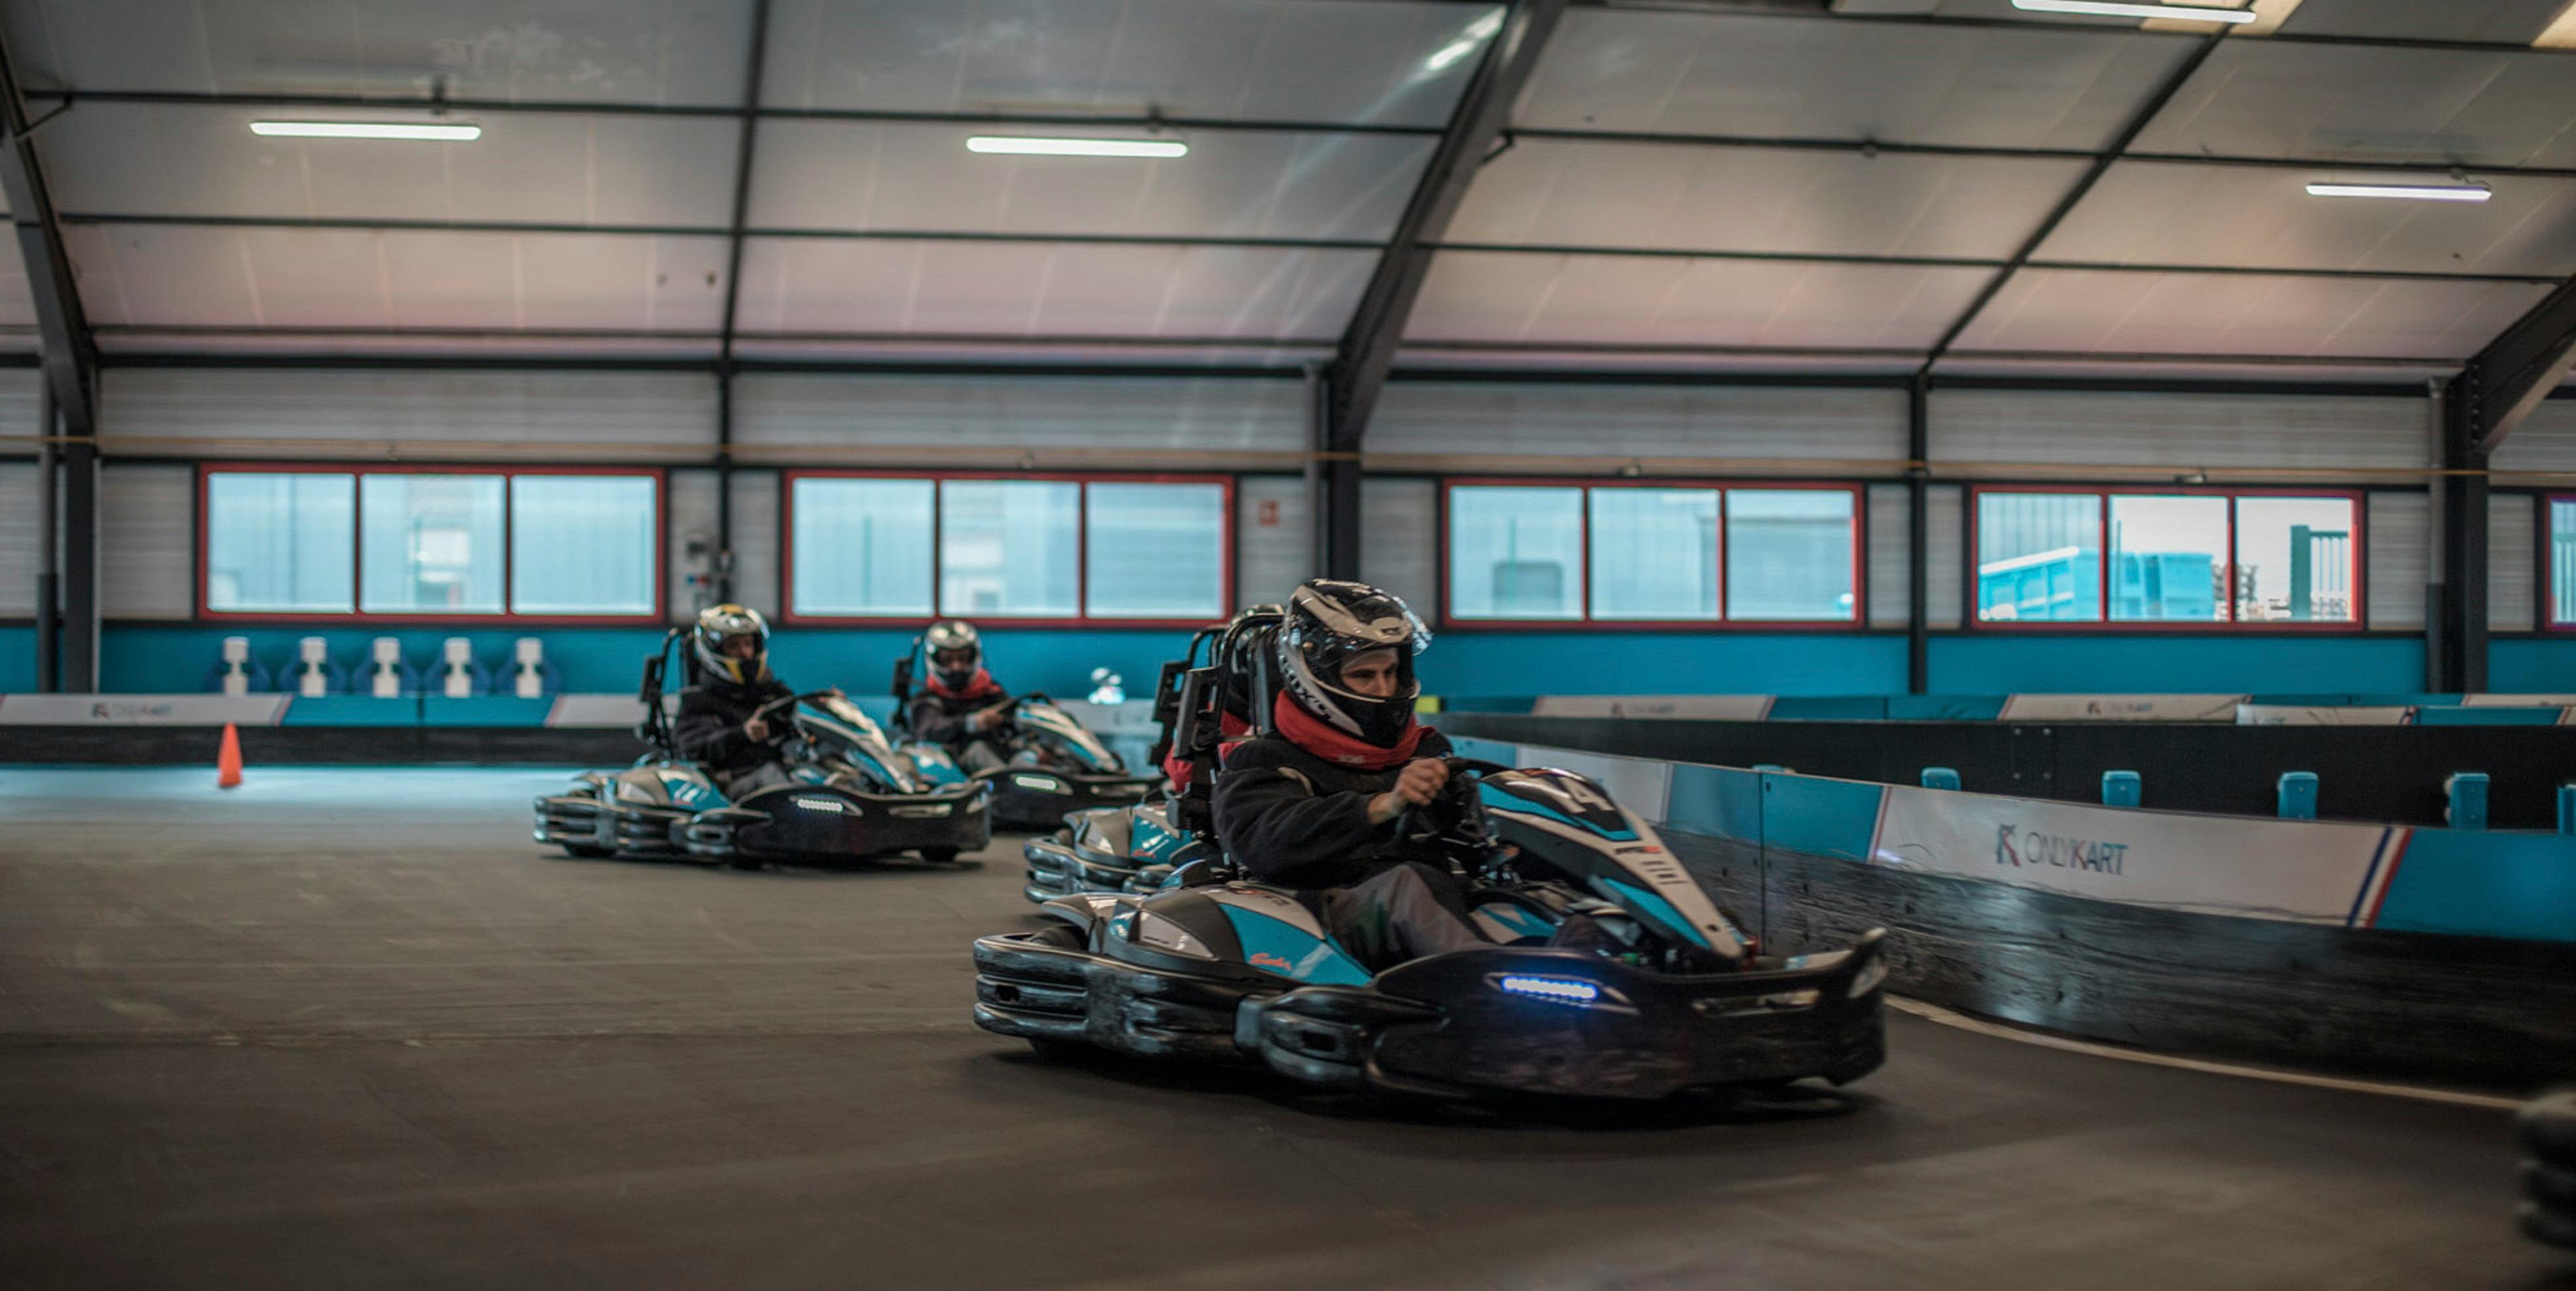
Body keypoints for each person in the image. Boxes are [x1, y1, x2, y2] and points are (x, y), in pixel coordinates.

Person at [1210, 579, 1491, 972]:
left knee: (1538, 899)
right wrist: (1380, 807)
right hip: (1324, 917)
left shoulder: (1426, 749)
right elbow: (1262, 841)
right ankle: (1497, 993)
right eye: (1364, 676)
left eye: (1392, 672)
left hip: (1435, 900)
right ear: (1313, 678)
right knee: (1407, 885)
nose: (1384, 688)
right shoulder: (1266, 759)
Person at [671, 604, 800, 798]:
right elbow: (694, 749)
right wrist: (743, 734)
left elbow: (795, 720)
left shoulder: (772, 693)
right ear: (714, 650)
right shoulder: (699, 701)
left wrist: (826, 706)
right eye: (734, 646)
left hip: (784, 774)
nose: (744, 653)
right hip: (730, 787)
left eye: (748, 644)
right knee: (772, 776)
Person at [905, 619, 1014, 771]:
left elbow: (1014, 717)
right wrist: (972, 723)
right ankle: (1010, 788)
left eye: (962, 659)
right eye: (948, 660)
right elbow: (929, 729)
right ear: (935, 660)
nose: (957, 667)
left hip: (1002, 754)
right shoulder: (928, 699)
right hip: (959, 770)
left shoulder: (991, 691)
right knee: (979, 750)